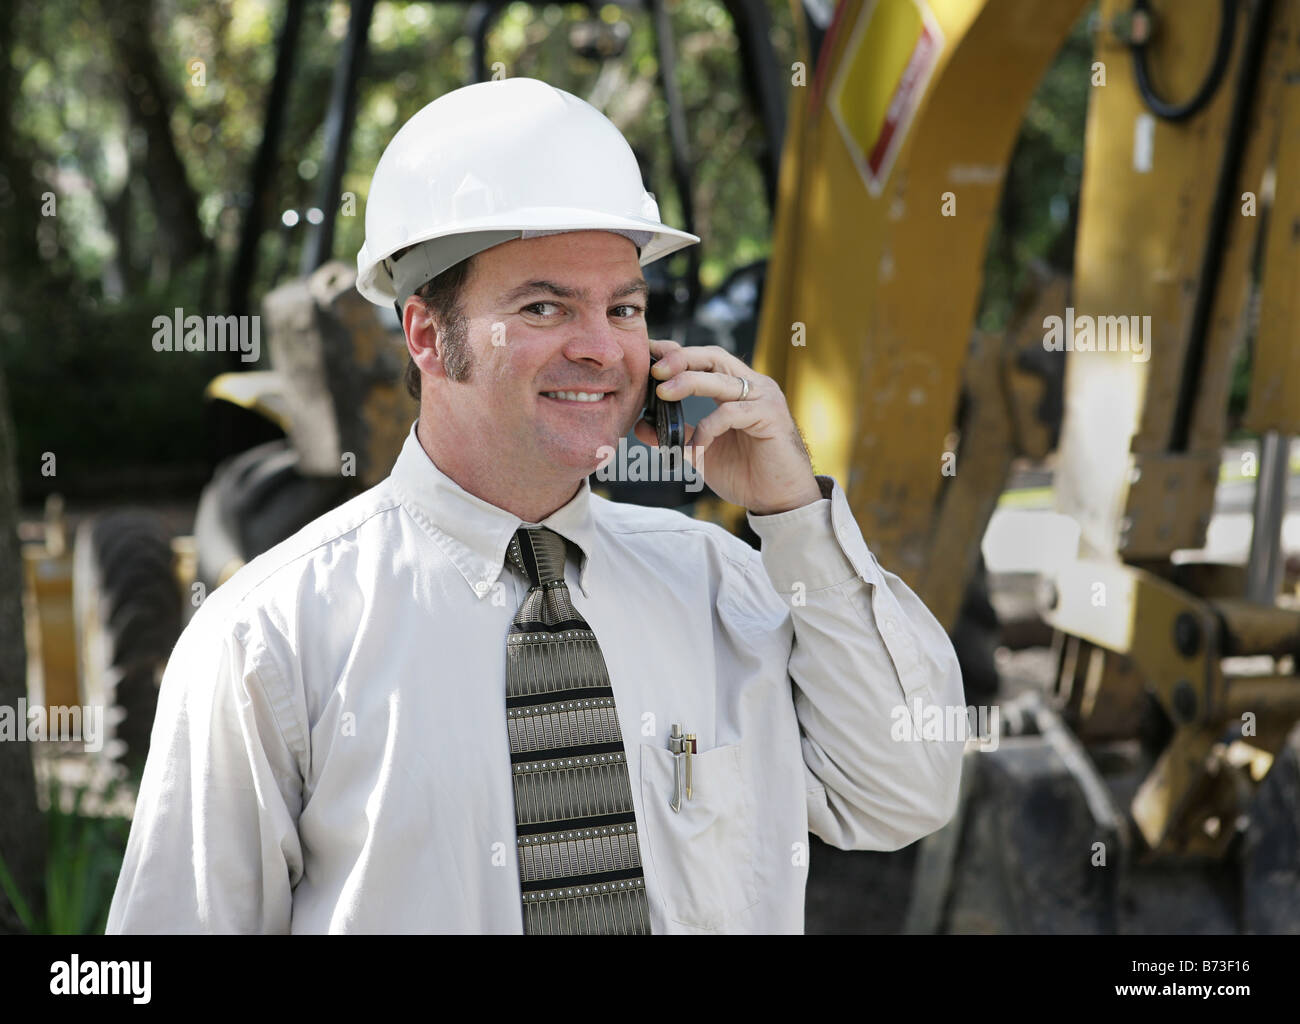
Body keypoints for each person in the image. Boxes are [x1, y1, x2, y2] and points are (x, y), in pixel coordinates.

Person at [107, 77, 965, 935]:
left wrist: (793, 512)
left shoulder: (725, 584)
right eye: (544, 306)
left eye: (623, 308)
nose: (599, 349)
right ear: (424, 334)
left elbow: (904, 790)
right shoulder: (270, 638)